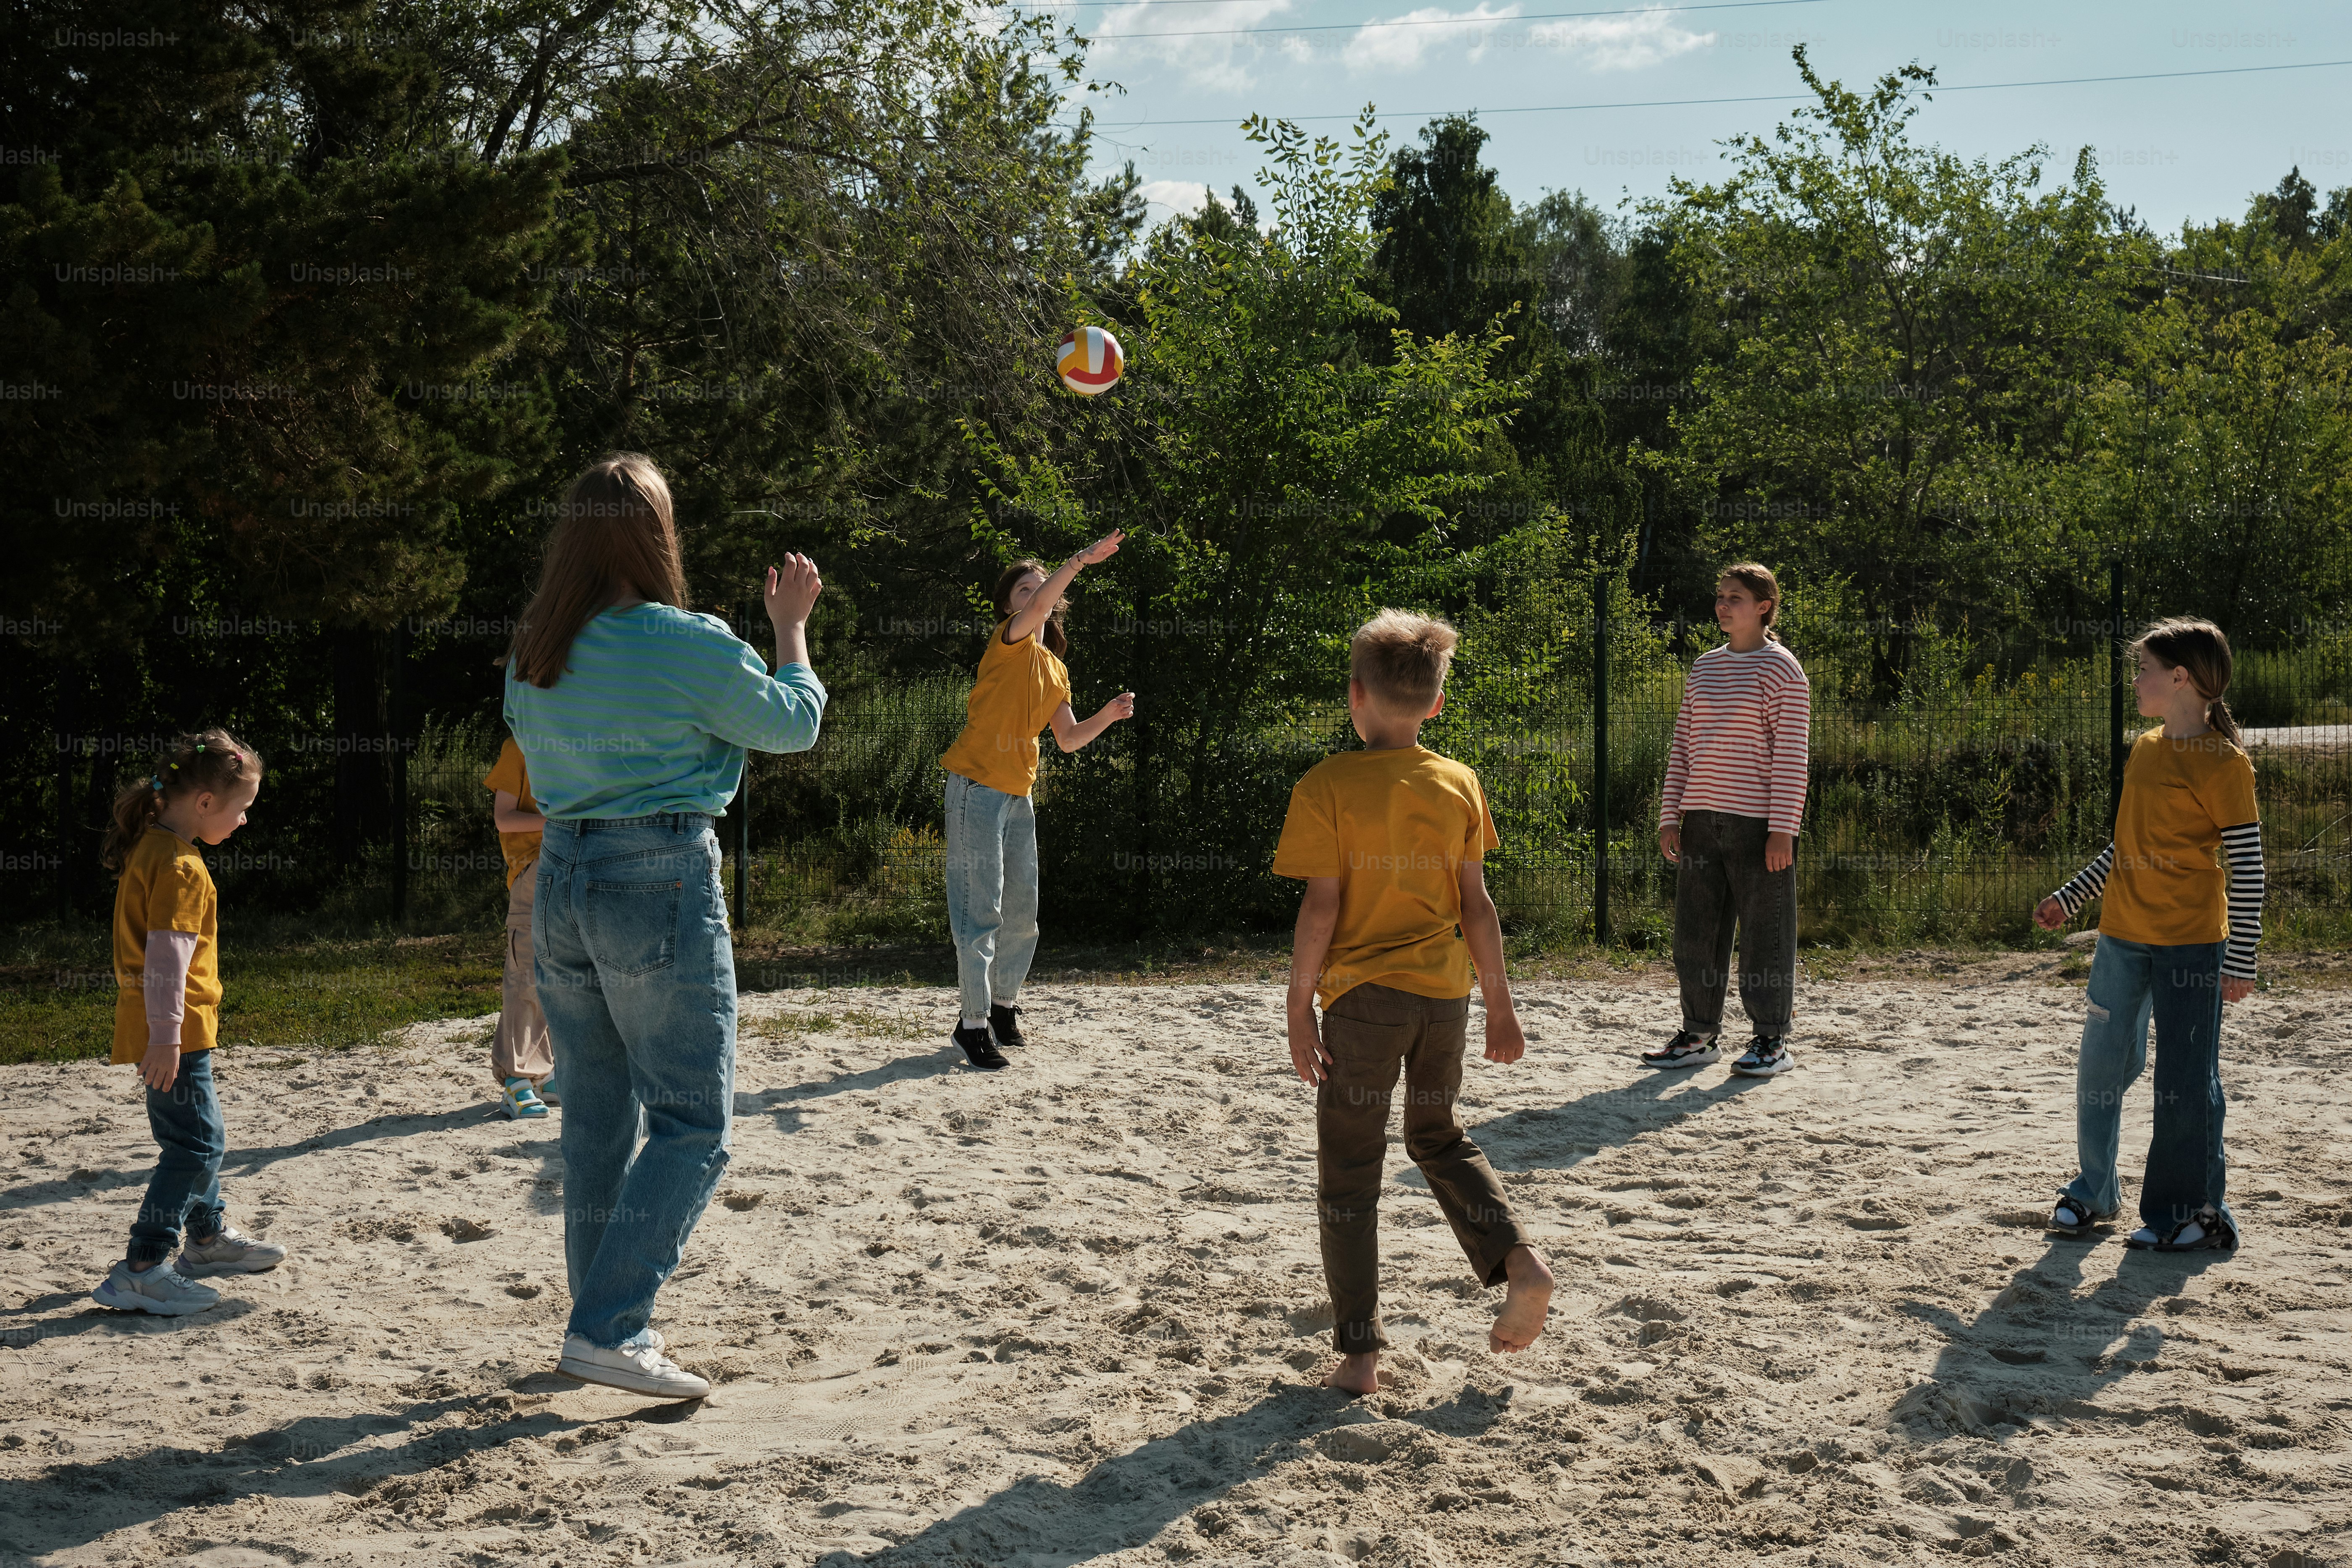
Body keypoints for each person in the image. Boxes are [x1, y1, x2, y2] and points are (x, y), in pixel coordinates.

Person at [504, 451, 827, 1399]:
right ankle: (608, 1327)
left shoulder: (535, 646)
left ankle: (590, 1321)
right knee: (693, 1121)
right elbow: (794, 724)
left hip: (561, 873)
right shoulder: (691, 641)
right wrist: (791, 631)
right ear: (657, 535)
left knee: (595, 1118)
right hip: (657, 877)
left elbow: (542, 748)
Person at [1273, 609, 1554, 1396]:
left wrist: (1300, 1008)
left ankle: (1360, 1354)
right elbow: (1478, 906)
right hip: (1447, 998)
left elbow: (1321, 911)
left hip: (1364, 1005)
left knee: (1350, 1173)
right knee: (1439, 1137)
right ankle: (1520, 1260)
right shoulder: (1458, 780)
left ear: (1355, 695)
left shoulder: (1327, 784)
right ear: (1435, 704)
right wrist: (1501, 1006)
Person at [2035, 617, 2263, 1252]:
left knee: (2186, 1081)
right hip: (2121, 938)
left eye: (2145, 670)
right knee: (2101, 1068)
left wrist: (2241, 957)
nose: (2136, 680)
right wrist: (2073, 895)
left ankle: (2189, 1213)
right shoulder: (2145, 748)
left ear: (2181, 677)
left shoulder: (2226, 765)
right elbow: (2126, 846)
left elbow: (2248, 867)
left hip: (2192, 944)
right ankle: (2092, 1192)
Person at [91, 730, 287, 1315]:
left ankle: (205, 1240)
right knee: (198, 1146)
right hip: (175, 1031)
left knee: (192, 1139)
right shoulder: (180, 867)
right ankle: (144, 1266)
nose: (245, 821)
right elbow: (166, 958)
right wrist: (168, 1036)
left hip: (163, 1026)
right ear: (205, 802)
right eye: (242, 809)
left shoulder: (153, 846)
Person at [935, 538, 1136, 1069]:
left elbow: (1068, 739)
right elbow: (1041, 606)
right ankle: (971, 1024)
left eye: (1038, 589)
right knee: (981, 912)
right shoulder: (1010, 641)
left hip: (1017, 795)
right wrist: (1076, 562)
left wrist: (1108, 716)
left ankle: (1002, 1009)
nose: (1034, 597)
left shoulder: (1054, 667)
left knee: (1022, 916)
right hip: (976, 788)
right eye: (1024, 590)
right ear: (1010, 607)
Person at [1645, 562, 1812, 1078]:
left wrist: (1783, 827)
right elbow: (1684, 747)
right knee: (1694, 933)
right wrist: (1669, 815)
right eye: (1719, 596)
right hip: (1699, 820)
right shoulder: (1704, 667)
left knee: (1766, 934)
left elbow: (1791, 757)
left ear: (1763, 606)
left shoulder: (1783, 670)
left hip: (1758, 827)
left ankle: (1770, 1041)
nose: (1722, 605)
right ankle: (1697, 1035)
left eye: (1734, 597)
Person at [483, 731, 553, 1119]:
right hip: (535, 867)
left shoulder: (581, 739)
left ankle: (542, 1072)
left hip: (572, 861)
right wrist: (559, 822)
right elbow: (504, 817)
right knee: (526, 972)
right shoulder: (520, 746)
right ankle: (516, 1078)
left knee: (564, 974)